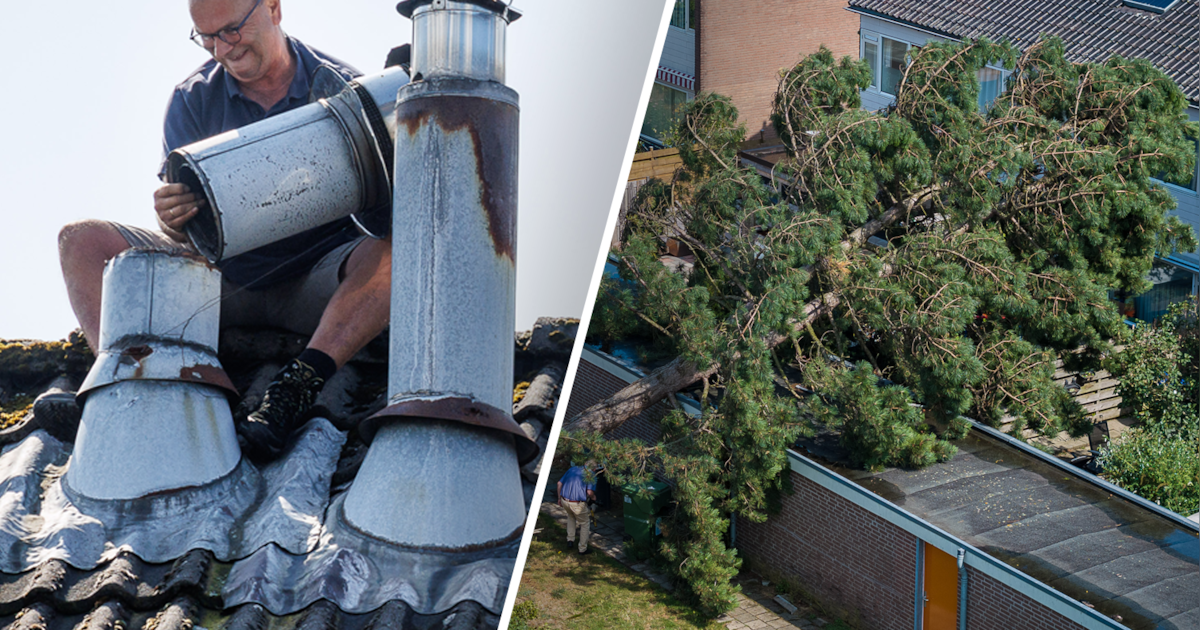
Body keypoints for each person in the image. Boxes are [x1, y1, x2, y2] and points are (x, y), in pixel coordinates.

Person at [56, 0, 391, 462]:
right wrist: (173, 219)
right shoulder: (190, 98)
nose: (222, 50)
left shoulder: (344, 90)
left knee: (397, 252)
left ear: (273, 8)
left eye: (231, 30)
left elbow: (383, 209)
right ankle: (112, 389)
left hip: (318, 282)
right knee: (81, 240)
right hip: (219, 285)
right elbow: (183, 235)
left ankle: (298, 385)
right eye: (207, 37)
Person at [557, 462, 597, 554]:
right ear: (594, 469)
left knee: (571, 517)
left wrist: (559, 498)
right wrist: (593, 498)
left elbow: (559, 483)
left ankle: (570, 540)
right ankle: (582, 549)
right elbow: (590, 492)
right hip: (577, 504)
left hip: (564, 500)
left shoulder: (572, 469)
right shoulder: (591, 475)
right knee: (585, 523)